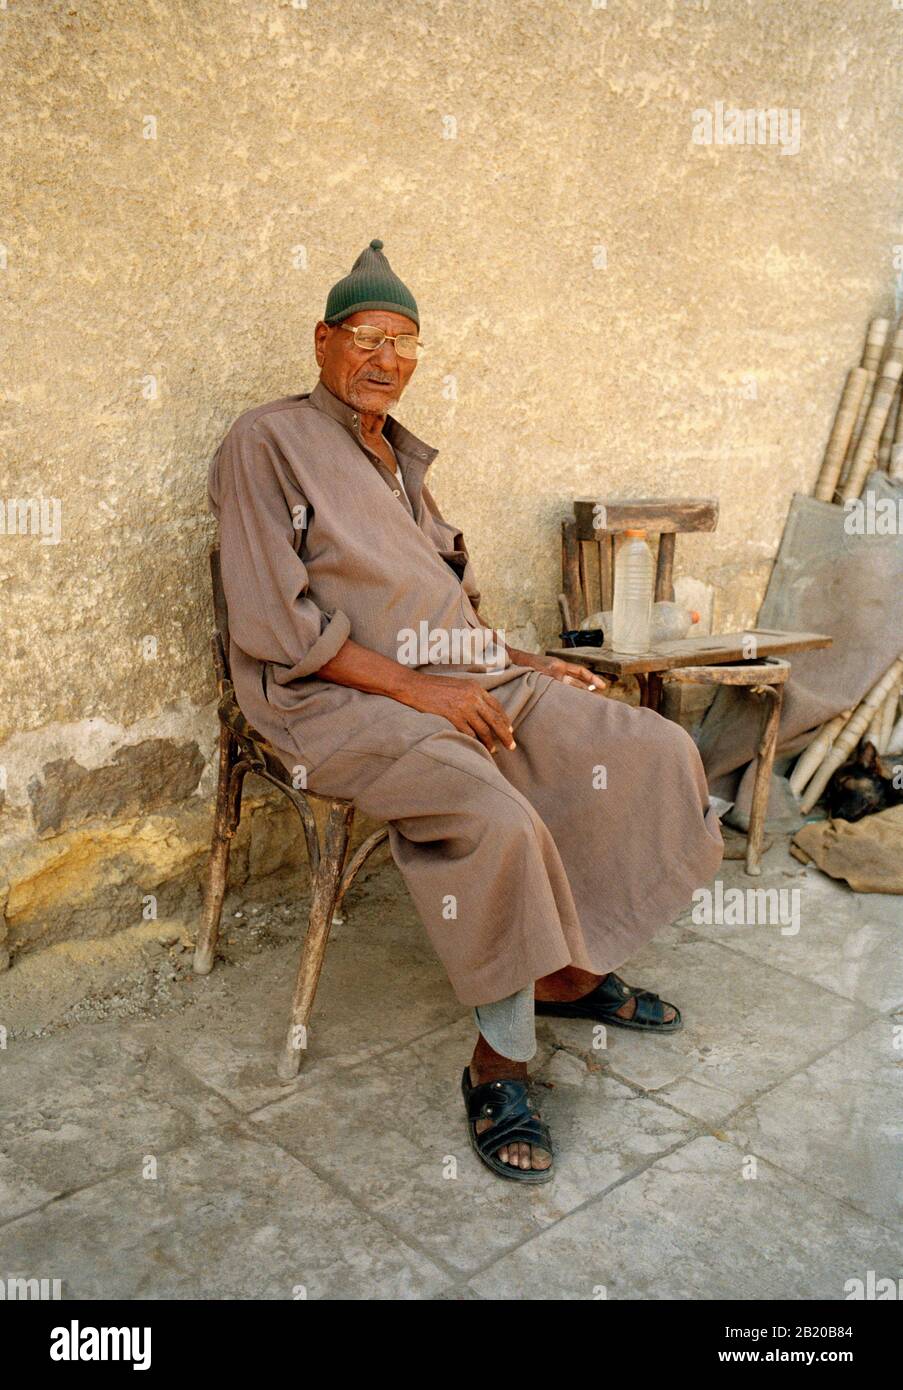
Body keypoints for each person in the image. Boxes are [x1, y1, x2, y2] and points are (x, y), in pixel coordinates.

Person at [209, 239, 724, 1183]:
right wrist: (416, 690)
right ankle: (499, 1061)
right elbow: (273, 621)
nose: (385, 358)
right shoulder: (267, 440)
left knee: (644, 745)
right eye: (365, 335)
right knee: (493, 818)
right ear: (323, 341)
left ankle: (566, 970)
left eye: (404, 342)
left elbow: (446, 604)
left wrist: (524, 662)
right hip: (331, 700)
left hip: (464, 675)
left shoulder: (399, 458)